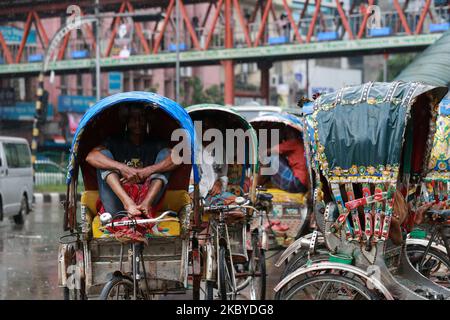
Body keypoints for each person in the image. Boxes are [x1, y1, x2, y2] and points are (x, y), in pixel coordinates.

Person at [86, 106, 178, 218]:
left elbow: (176, 158)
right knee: (104, 157)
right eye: (133, 118)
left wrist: (147, 171)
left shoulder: (156, 143)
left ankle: (145, 205)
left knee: (166, 156)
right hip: (117, 204)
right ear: (126, 121)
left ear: (147, 120)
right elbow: (91, 157)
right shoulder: (114, 141)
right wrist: (123, 168)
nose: (137, 122)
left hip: (148, 201)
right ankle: (128, 203)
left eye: (141, 117)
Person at [258, 125, 308, 193]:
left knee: (270, 157)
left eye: (287, 133)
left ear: (291, 133)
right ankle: (260, 183)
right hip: (302, 185)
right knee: (277, 160)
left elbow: (268, 152)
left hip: (296, 182)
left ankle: (257, 184)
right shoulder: (301, 143)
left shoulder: (294, 142)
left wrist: (259, 156)